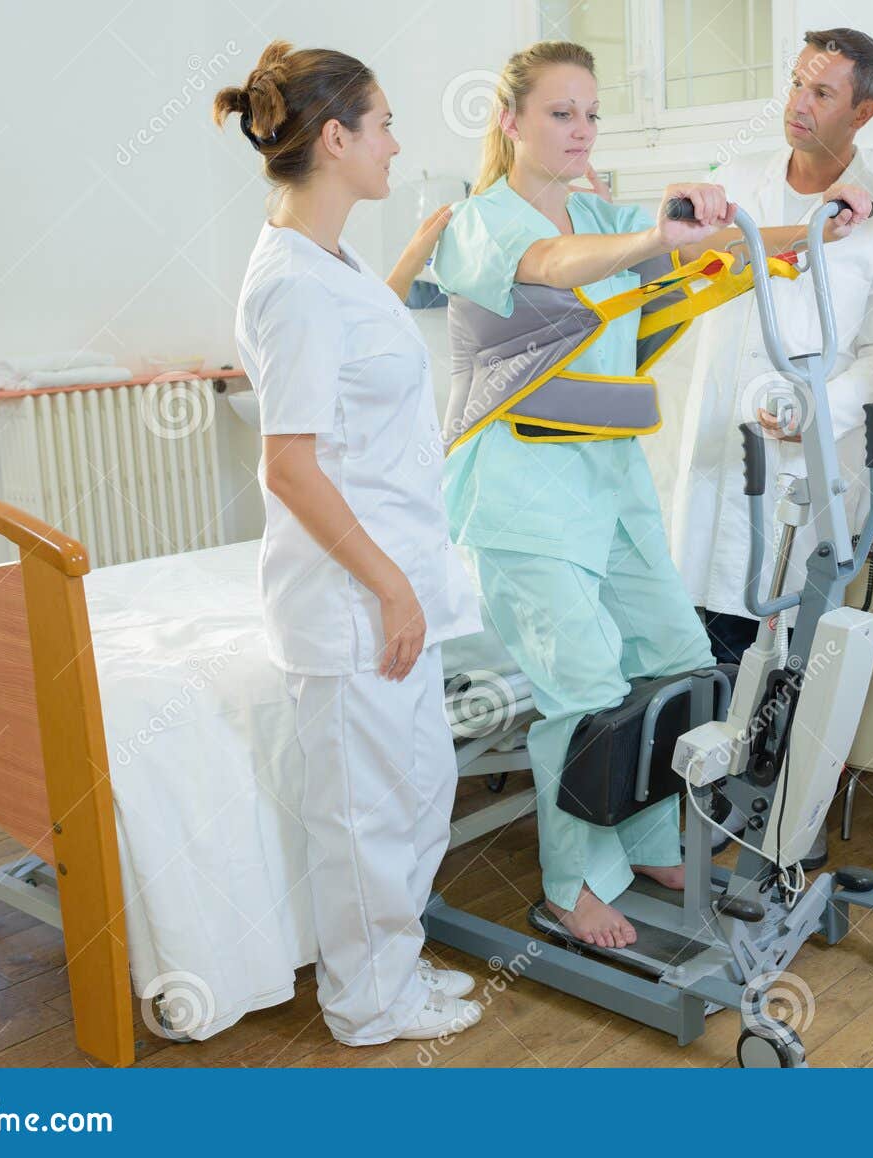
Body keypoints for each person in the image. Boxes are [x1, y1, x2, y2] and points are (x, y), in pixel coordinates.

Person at [432, 40, 872, 950]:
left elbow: (708, 249)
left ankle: (642, 841)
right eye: (561, 113)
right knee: (585, 688)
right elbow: (556, 264)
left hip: (610, 477)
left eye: (591, 113)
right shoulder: (479, 222)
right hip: (522, 487)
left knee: (673, 655)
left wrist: (813, 230)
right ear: (510, 121)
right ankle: (574, 884)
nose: (581, 130)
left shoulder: (599, 208)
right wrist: (653, 234)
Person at [218, 40, 484, 1041]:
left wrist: (419, 249)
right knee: (367, 816)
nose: (395, 142)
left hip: (388, 581)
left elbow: (360, 339)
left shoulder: (335, 258)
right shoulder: (289, 281)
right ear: (336, 138)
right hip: (347, 599)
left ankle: (396, 972)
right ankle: (365, 1003)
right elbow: (290, 466)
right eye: (381, 126)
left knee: (416, 793)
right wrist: (390, 587)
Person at [669, 27, 873, 667]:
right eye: (796, 83)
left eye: (822, 93)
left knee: (779, 674)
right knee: (691, 656)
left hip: (799, 469)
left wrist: (816, 411)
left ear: (863, 114)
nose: (798, 105)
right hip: (714, 460)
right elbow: (677, 261)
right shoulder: (733, 184)